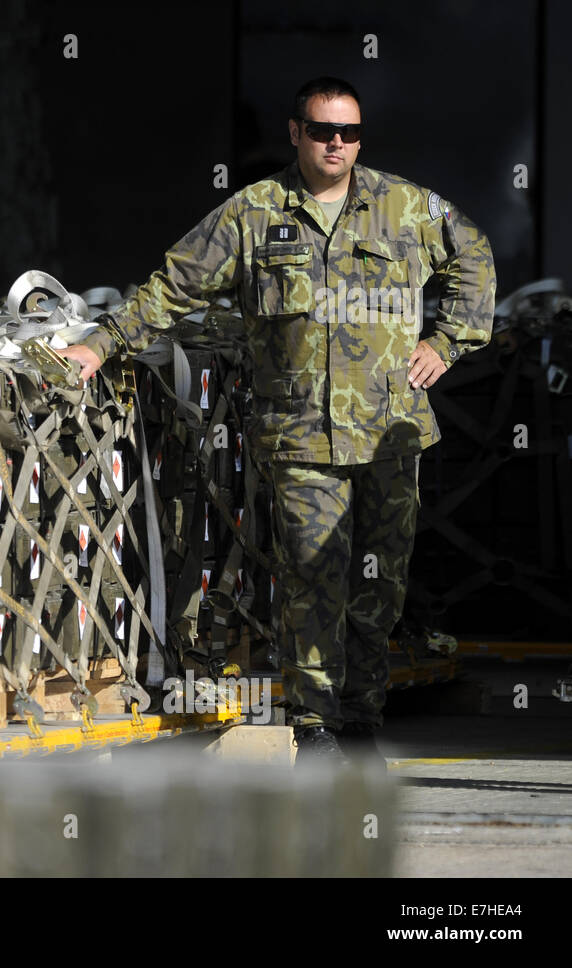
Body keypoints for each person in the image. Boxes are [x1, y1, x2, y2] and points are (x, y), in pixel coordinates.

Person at [61, 76, 496, 766]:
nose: (337, 143)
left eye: (349, 132)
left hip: (390, 431)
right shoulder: (254, 213)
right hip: (299, 434)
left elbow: (473, 253)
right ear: (295, 132)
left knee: (378, 581)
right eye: (323, 130)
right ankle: (319, 724)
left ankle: (363, 717)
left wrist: (449, 341)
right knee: (310, 580)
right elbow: (174, 283)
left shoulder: (406, 206)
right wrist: (101, 342)